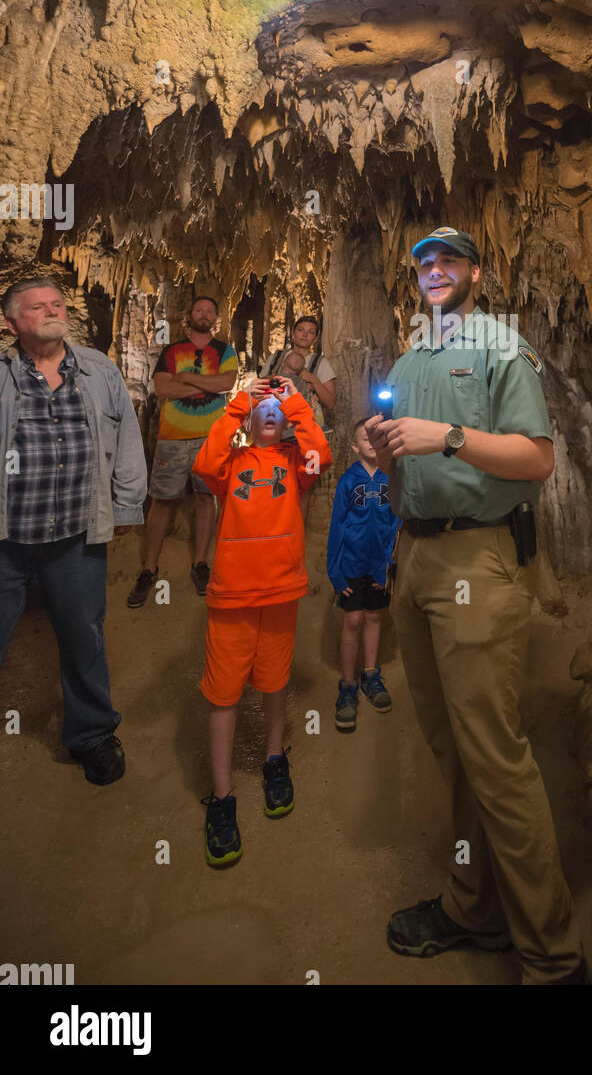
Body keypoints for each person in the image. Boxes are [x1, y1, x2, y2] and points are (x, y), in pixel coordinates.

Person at [365, 226, 586, 985]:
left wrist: (450, 436)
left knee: (495, 759)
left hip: (479, 556)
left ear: (474, 273)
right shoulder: (408, 358)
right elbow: (405, 463)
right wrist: (380, 449)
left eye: (448, 261)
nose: (433, 271)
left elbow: (536, 458)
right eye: (424, 262)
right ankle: (473, 906)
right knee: (451, 752)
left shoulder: (500, 347)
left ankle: (551, 958)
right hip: (417, 555)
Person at [0, 277, 147, 785]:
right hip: (7, 535)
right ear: (12, 321)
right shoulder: (2, 375)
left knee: (83, 635)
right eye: (37, 307)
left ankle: (91, 733)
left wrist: (127, 505)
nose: (51, 311)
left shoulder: (98, 370)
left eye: (57, 304)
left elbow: (126, 437)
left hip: (76, 532)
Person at [191, 373, 332, 866]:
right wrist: (235, 406)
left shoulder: (297, 463)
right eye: (263, 407)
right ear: (249, 418)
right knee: (225, 692)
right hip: (232, 593)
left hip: (281, 589)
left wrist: (293, 400)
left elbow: (322, 453)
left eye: (277, 408)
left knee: (274, 681)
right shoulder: (231, 464)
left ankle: (275, 759)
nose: (270, 412)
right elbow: (203, 462)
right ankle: (223, 796)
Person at [127, 295, 238, 607]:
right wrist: (207, 384)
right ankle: (149, 568)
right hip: (173, 437)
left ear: (216, 318)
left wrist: (187, 378)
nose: (204, 314)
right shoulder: (171, 350)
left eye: (209, 310)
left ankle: (200, 563)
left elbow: (228, 383)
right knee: (162, 501)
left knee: (206, 498)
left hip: (212, 439)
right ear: (189, 316)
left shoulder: (225, 350)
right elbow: (163, 388)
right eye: (199, 309)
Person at [326, 417, 400, 733]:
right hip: (352, 564)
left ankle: (370, 674)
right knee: (352, 620)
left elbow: (396, 522)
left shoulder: (390, 479)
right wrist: (335, 574)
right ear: (355, 447)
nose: (371, 443)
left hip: (379, 564)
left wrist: (390, 566)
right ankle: (347, 685)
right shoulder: (348, 481)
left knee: (373, 616)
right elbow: (337, 528)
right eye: (365, 439)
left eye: (376, 438)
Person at [260, 315, 336, 435]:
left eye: (310, 332)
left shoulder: (321, 363)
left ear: (315, 338)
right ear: (293, 334)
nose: (305, 335)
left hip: (304, 432)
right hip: (273, 424)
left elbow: (331, 402)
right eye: (300, 330)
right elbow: (258, 387)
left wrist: (313, 379)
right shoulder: (276, 357)